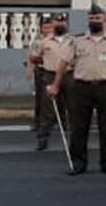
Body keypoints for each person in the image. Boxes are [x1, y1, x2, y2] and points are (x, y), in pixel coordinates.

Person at [51, 5, 106, 175]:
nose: (94, 21)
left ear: (105, 20)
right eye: (92, 18)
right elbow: (63, 63)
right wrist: (56, 85)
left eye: (98, 18)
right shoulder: (76, 41)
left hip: (105, 88)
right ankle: (79, 163)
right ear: (88, 20)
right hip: (81, 88)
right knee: (79, 127)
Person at [30, 16, 72, 150]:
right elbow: (34, 57)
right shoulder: (45, 41)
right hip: (50, 75)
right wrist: (46, 63)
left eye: (62, 22)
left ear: (66, 25)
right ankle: (42, 140)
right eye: (57, 23)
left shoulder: (73, 41)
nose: (60, 25)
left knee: (72, 107)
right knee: (47, 108)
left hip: (69, 75)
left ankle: (74, 138)